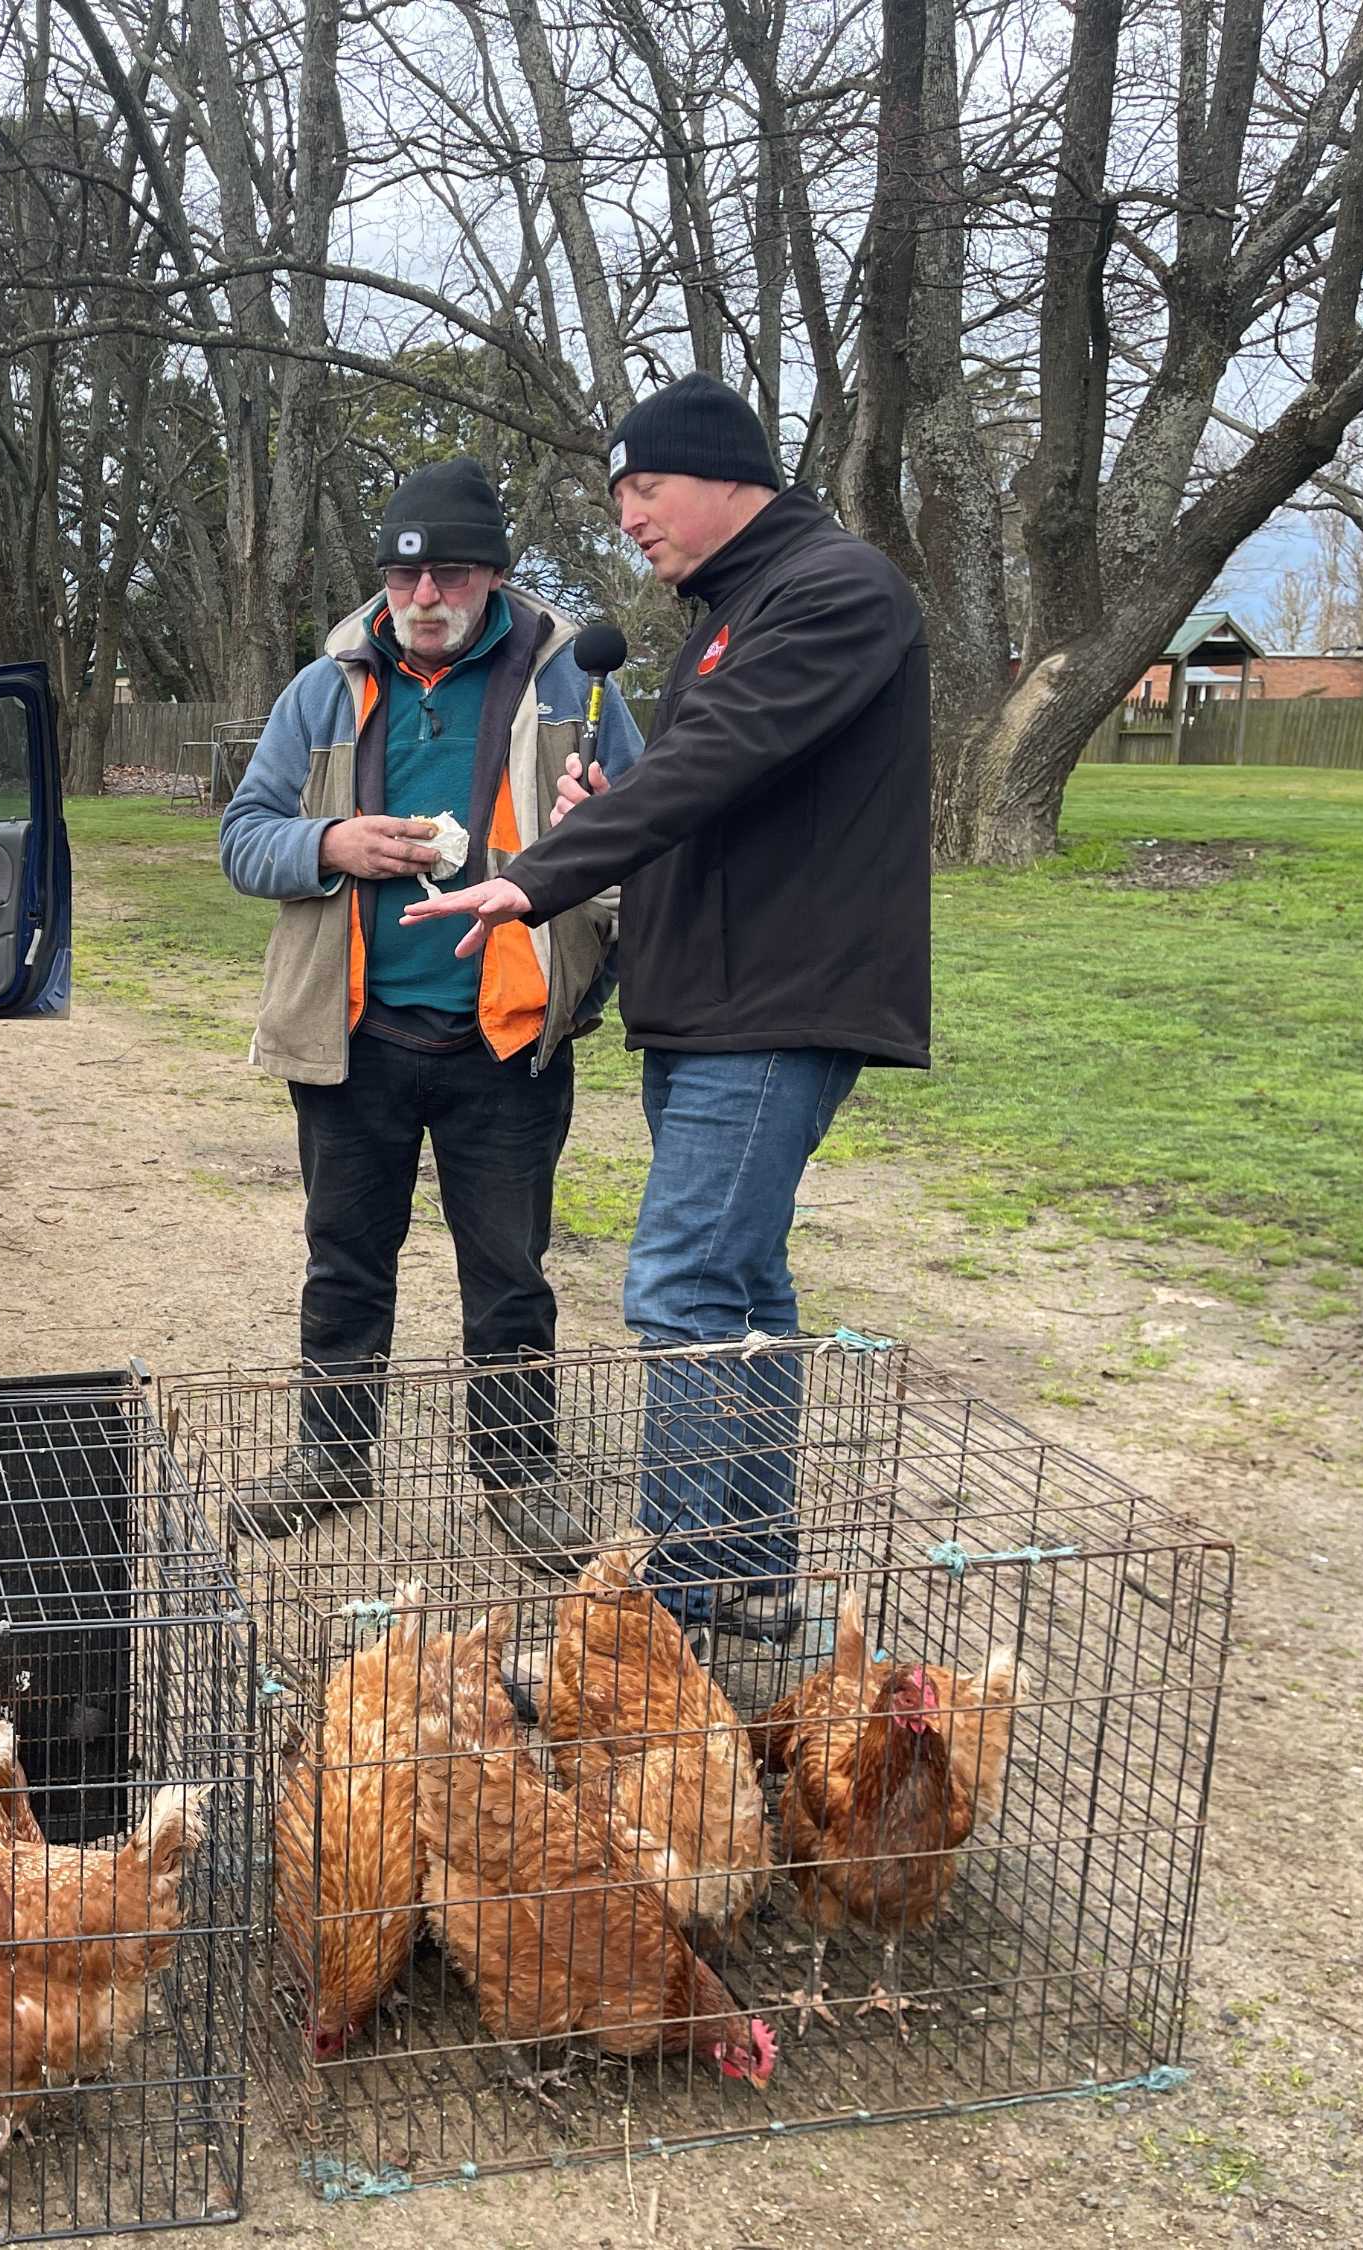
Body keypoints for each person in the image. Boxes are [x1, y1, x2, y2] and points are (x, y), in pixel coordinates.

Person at [403, 375, 932, 1637]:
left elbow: (710, 765)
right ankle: (750, 1567)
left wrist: (534, 875)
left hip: (779, 998)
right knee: (740, 1280)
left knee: (684, 1282)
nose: (629, 518)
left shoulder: (835, 592)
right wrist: (610, 827)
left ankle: (673, 1610)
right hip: (711, 994)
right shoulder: (732, 613)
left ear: (726, 475)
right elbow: (719, 797)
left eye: (645, 488)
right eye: (618, 496)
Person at [219, 457, 642, 1565]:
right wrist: (328, 844)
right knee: (344, 1259)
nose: (424, 599)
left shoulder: (570, 688)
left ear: (496, 577)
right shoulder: (325, 689)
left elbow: (648, 831)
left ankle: (518, 1478)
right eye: (405, 579)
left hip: (505, 1041)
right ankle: (332, 1456)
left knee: (509, 1275)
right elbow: (242, 838)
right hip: (355, 1037)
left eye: (450, 574)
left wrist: (598, 828)